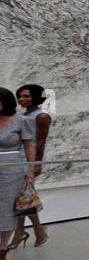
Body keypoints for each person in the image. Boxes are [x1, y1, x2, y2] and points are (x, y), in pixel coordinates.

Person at [9, 84, 51, 250]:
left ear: (35, 97)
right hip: (20, 157)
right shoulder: (24, 114)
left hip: (31, 159)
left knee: (25, 195)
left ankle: (36, 230)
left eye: (26, 96)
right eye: (20, 96)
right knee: (21, 196)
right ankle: (22, 231)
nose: (22, 99)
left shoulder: (41, 116)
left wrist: (37, 164)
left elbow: (41, 141)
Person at [0, 88, 37, 260]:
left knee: (7, 209)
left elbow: (29, 146)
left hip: (11, 169)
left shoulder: (21, 121)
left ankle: (3, 248)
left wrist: (31, 169)